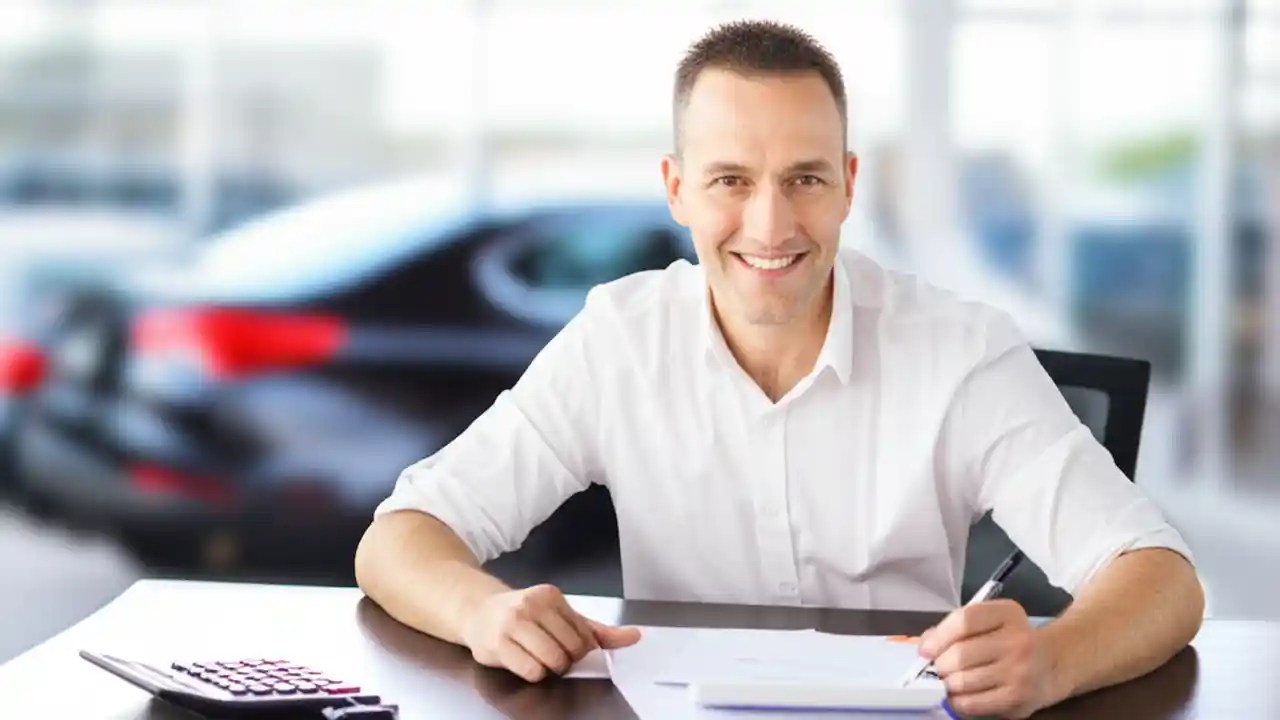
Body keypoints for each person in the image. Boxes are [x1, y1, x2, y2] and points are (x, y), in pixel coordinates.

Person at [355, 20, 1203, 718]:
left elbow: (1162, 579)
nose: (770, 225)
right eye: (731, 179)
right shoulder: (619, 340)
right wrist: (481, 610)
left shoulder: (961, 350)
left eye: (804, 178)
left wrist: (1052, 660)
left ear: (847, 187)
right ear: (677, 189)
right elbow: (399, 538)